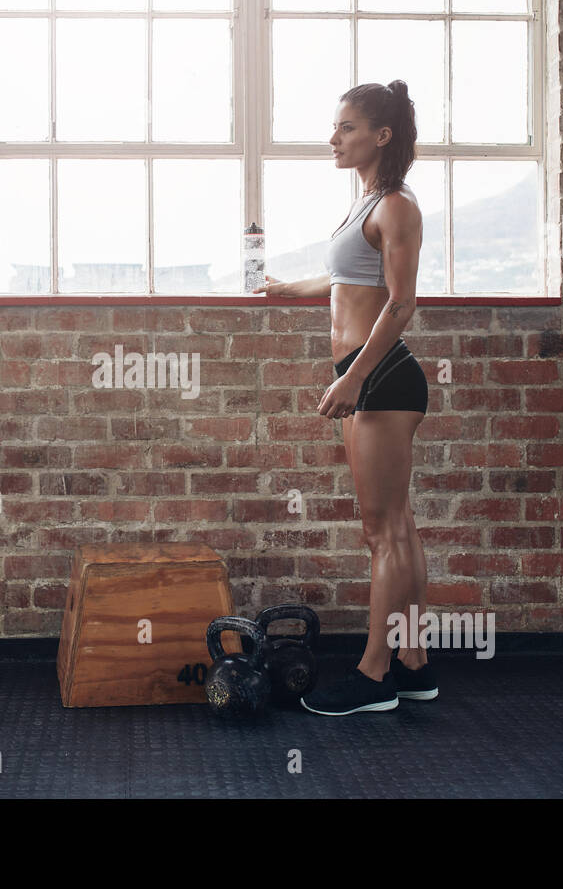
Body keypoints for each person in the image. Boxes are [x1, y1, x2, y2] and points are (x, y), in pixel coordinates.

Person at [253, 80, 438, 714]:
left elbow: (402, 302)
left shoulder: (397, 207)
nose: (334, 139)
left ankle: (373, 675)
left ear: (381, 136)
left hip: (381, 378)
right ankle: (413, 664)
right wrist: (288, 290)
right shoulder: (366, 203)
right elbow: (345, 280)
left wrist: (353, 376)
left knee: (380, 532)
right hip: (373, 375)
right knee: (401, 528)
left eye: (347, 127)